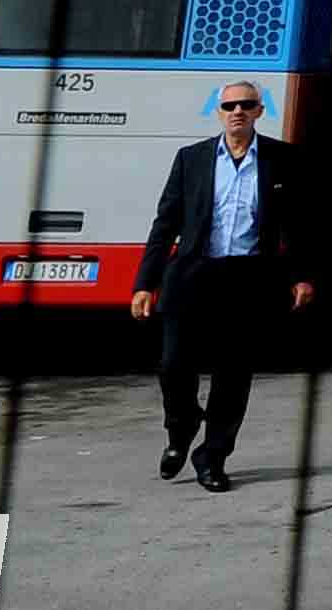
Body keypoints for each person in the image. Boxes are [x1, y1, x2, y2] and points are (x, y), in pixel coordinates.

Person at [131, 77, 316, 493]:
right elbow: (165, 224)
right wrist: (145, 283)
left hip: (247, 279)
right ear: (218, 111)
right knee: (174, 366)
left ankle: (212, 458)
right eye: (230, 105)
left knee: (232, 376)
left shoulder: (280, 159)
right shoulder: (191, 159)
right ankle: (181, 428)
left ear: (258, 111)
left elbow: (298, 224)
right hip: (192, 274)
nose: (237, 112)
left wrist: (301, 274)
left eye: (246, 105)